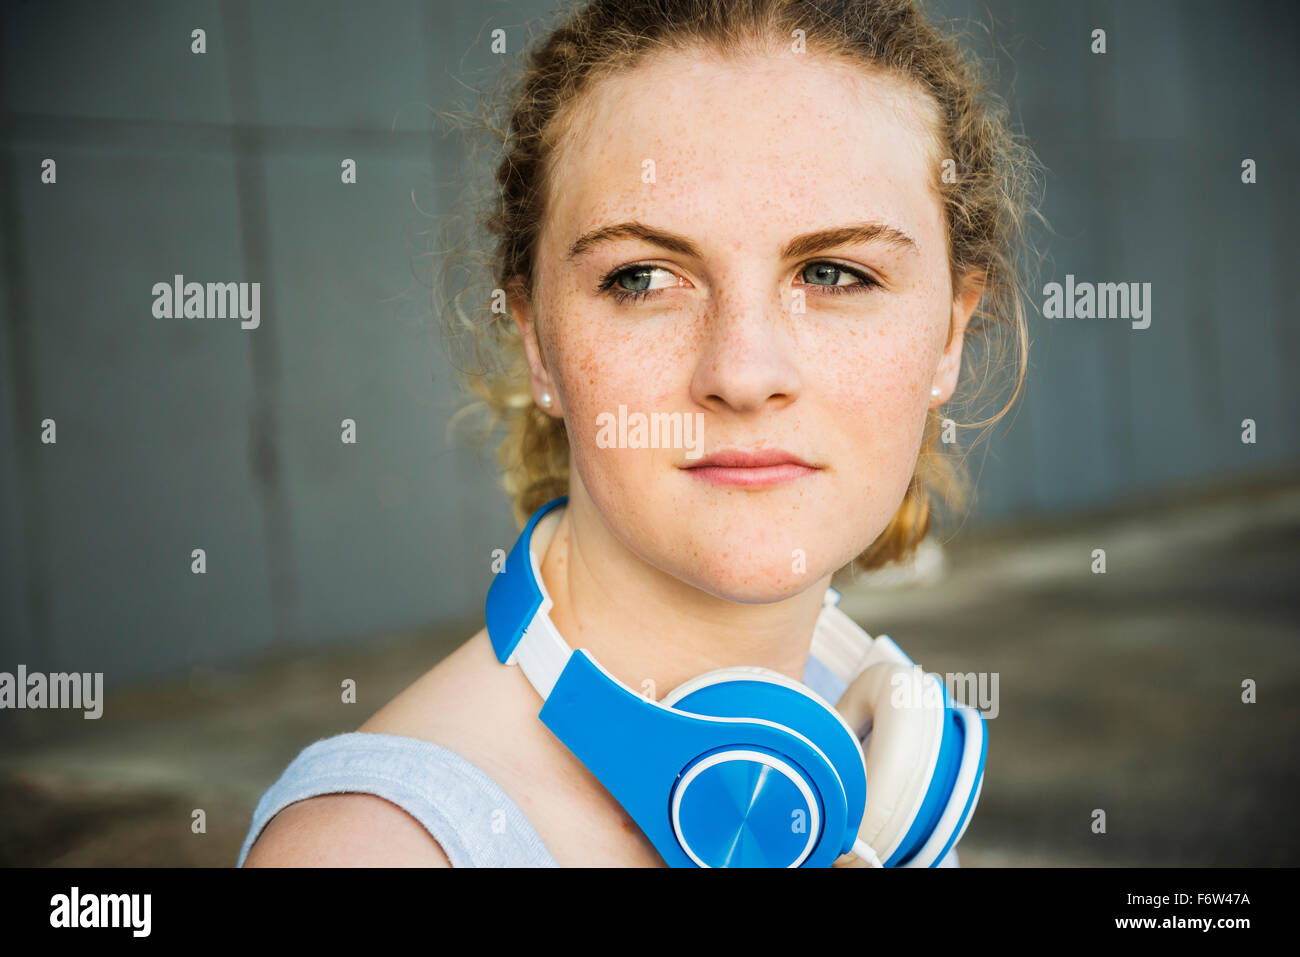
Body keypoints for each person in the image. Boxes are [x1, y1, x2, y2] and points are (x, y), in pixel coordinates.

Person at [240, 0, 1039, 868]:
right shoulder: (371, 852)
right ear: (537, 342)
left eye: (835, 273)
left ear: (950, 335)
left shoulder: (869, 786)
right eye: (645, 277)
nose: (742, 370)